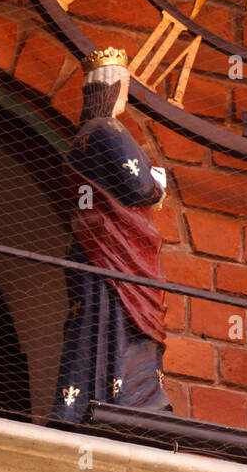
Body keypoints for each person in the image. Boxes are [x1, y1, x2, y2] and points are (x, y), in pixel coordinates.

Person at [51, 47, 170, 423]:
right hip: (115, 255)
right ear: (115, 88)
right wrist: (158, 185)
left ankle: (80, 402)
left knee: (91, 326)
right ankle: (126, 402)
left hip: (92, 251)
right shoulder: (108, 129)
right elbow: (137, 187)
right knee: (117, 322)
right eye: (123, 87)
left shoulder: (80, 138)